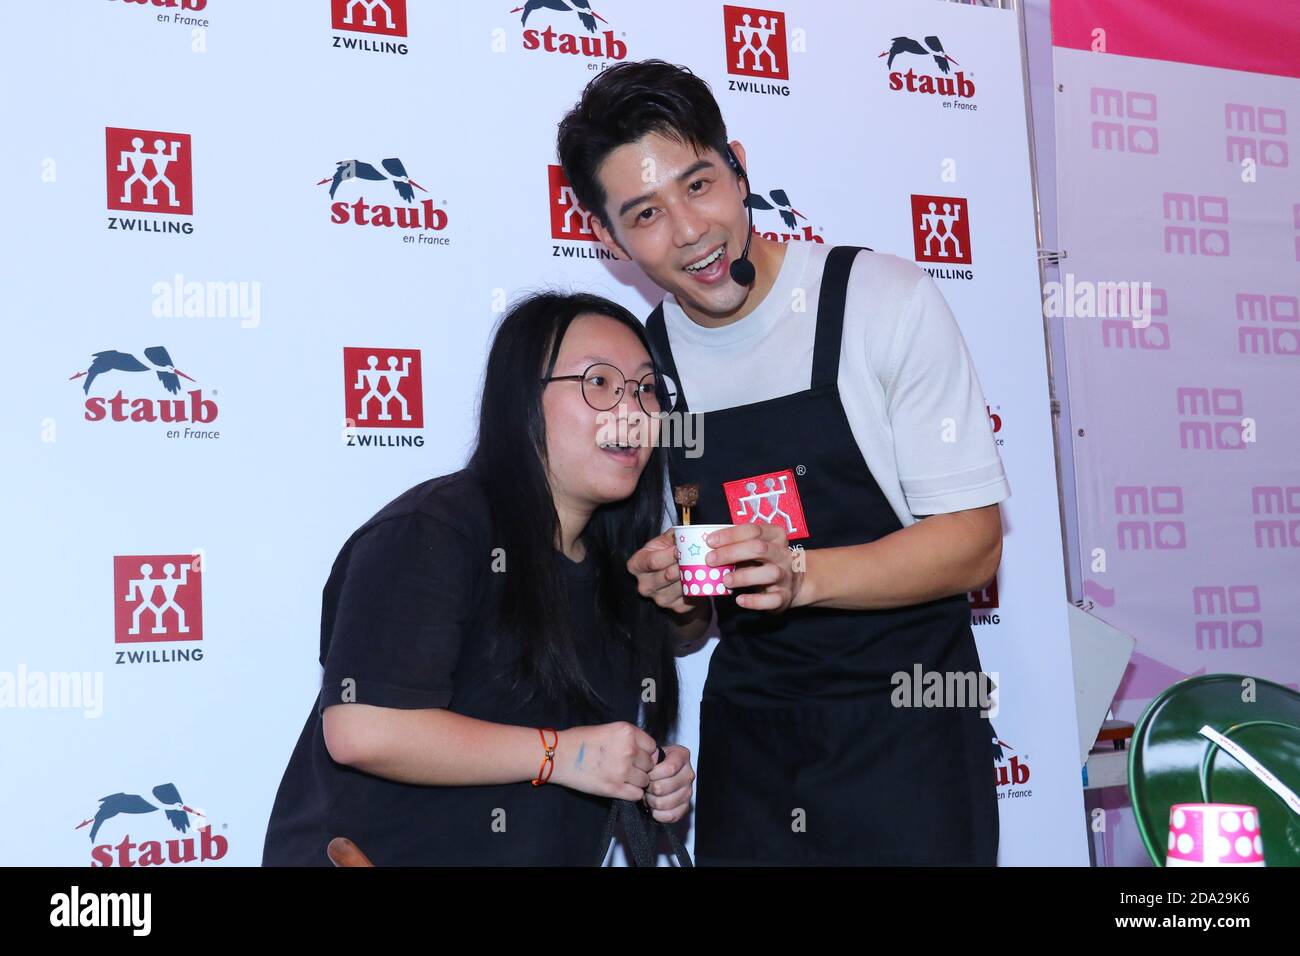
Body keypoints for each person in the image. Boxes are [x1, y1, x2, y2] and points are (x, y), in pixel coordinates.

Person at [557, 60, 1007, 865]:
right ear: (605, 237)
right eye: (646, 213)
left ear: (738, 167)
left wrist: (799, 574)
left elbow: (974, 542)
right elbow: (693, 622)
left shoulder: (880, 301)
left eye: (700, 186)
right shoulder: (644, 371)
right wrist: (678, 595)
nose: (690, 231)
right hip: (757, 747)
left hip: (912, 732)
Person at [262, 292, 695, 866]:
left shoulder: (616, 566)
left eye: (645, 389)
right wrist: (563, 755)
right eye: (598, 383)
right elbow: (364, 729)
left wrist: (646, 776)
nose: (632, 411)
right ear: (522, 400)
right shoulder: (434, 531)